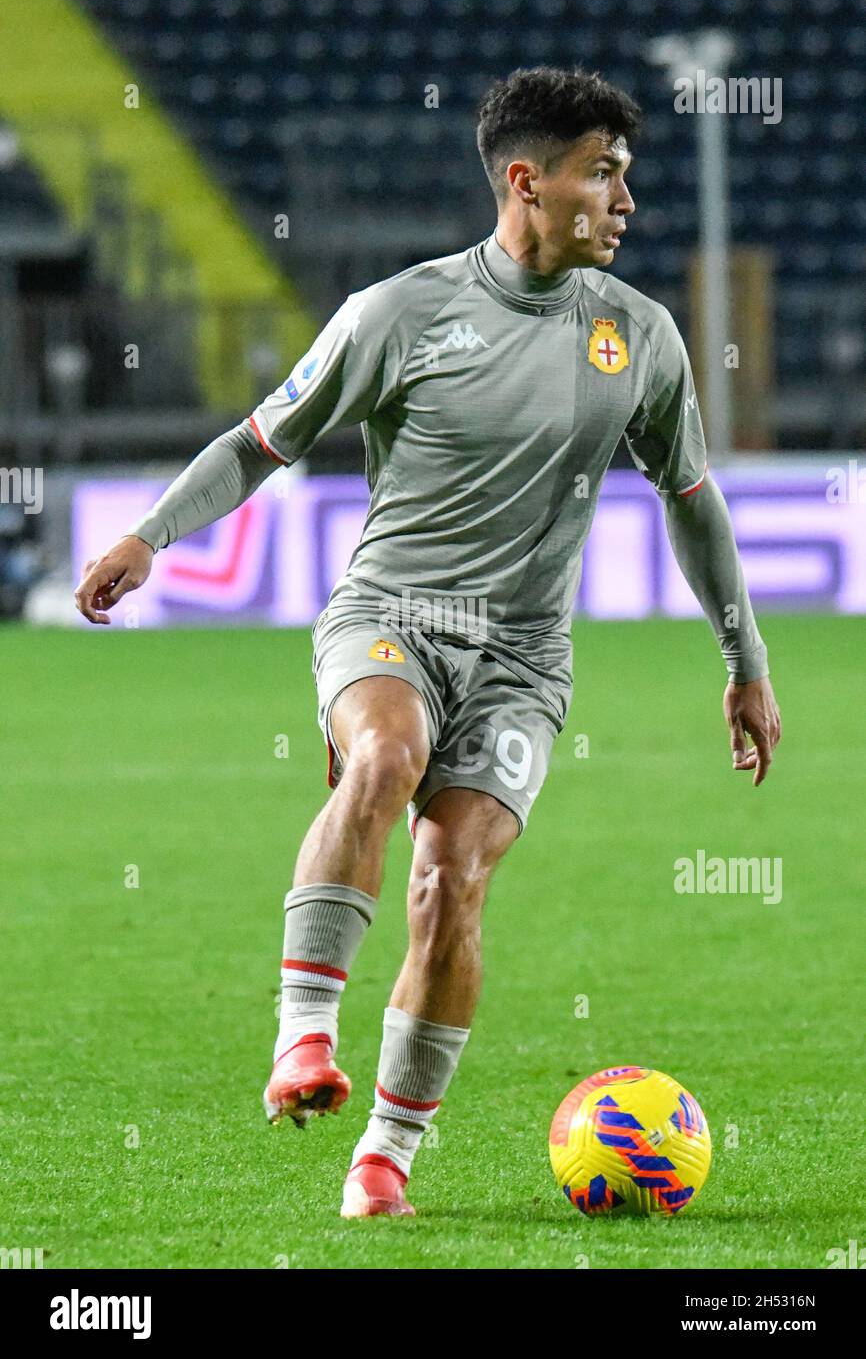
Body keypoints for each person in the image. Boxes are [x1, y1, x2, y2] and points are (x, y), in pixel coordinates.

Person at [74, 65, 781, 1219]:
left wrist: (743, 661)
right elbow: (261, 440)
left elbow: (690, 498)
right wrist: (150, 537)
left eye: (626, 176)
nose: (623, 200)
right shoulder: (397, 313)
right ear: (525, 181)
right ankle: (303, 1036)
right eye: (601, 173)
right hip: (390, 616)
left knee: (451, 883)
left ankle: (384, 1156)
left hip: (522, 661)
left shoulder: (639, 338)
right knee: (384, 757)